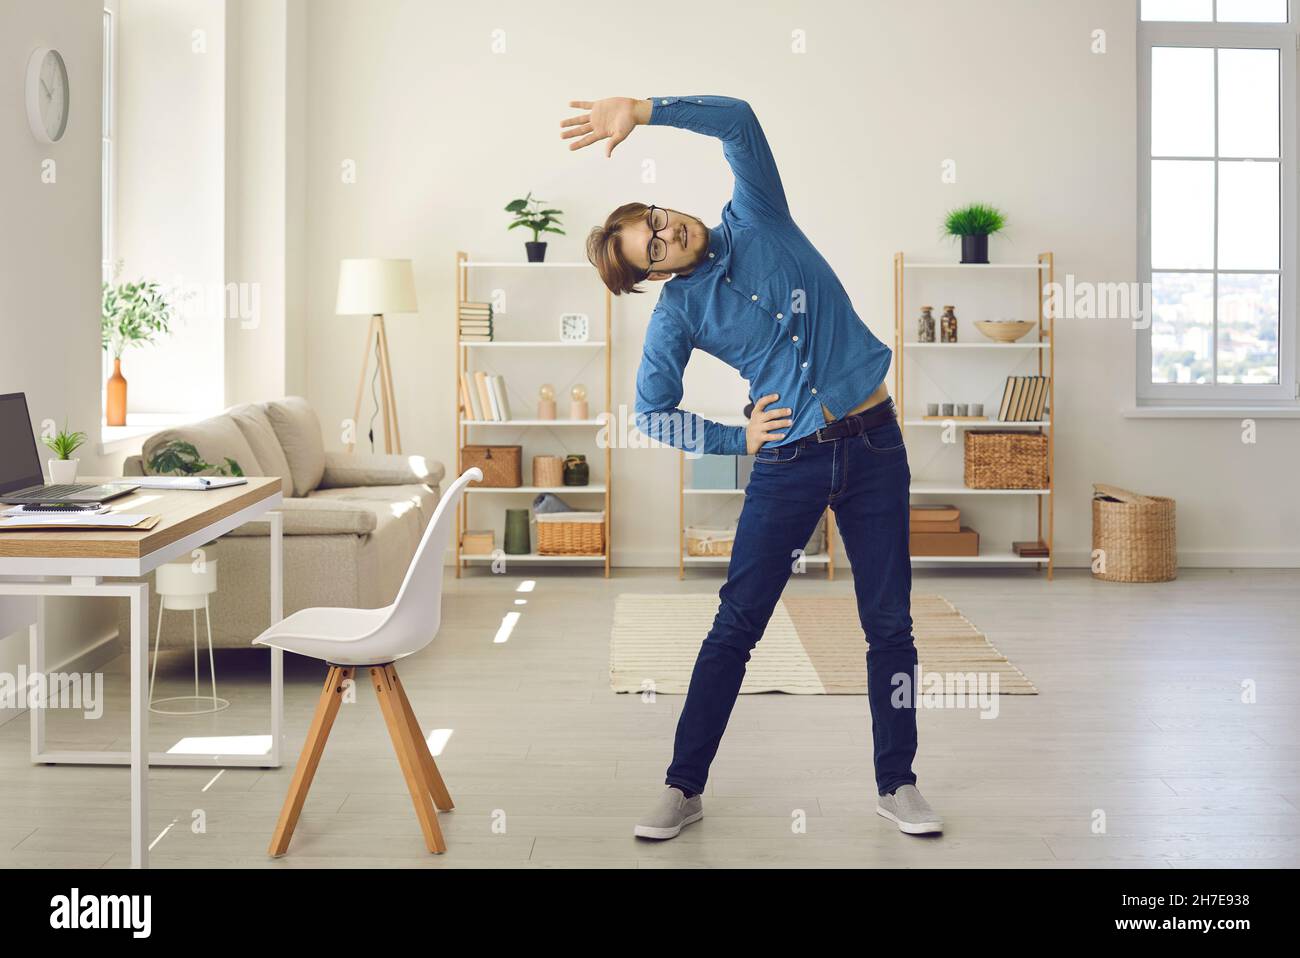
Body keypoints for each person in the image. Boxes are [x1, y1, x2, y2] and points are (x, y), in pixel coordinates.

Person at [562, 95, 942, 840]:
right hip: (790, 462)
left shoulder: (757, 213)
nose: (670, 234)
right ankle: (683, 786)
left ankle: (898, 784)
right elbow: (651, 411)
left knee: (889, 624)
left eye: (660, 221)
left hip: (874, 446)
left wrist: (643, 109)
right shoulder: (679, 315)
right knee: (736, 625)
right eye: (656, 249)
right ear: (653, 275)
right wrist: (738, 442)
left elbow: (737, 118)